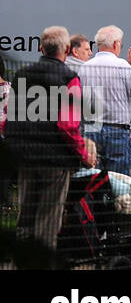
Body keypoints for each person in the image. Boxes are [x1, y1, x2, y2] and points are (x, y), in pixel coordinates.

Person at [0, 26, 93, 251]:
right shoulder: (70, 79)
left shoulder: (22, 75)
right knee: (48, 223)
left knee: (25, 219)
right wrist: (84, 155)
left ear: (41, 48)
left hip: (24, 158)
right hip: (55, 162)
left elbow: (7, 120)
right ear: (68, 49)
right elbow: (68, 126)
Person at [78, 25, 131, 177]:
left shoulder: (85, 67)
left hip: (91, 129)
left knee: (91, 179)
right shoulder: (122, 66)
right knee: (118, 182)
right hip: (117, 130)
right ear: (115, 44)